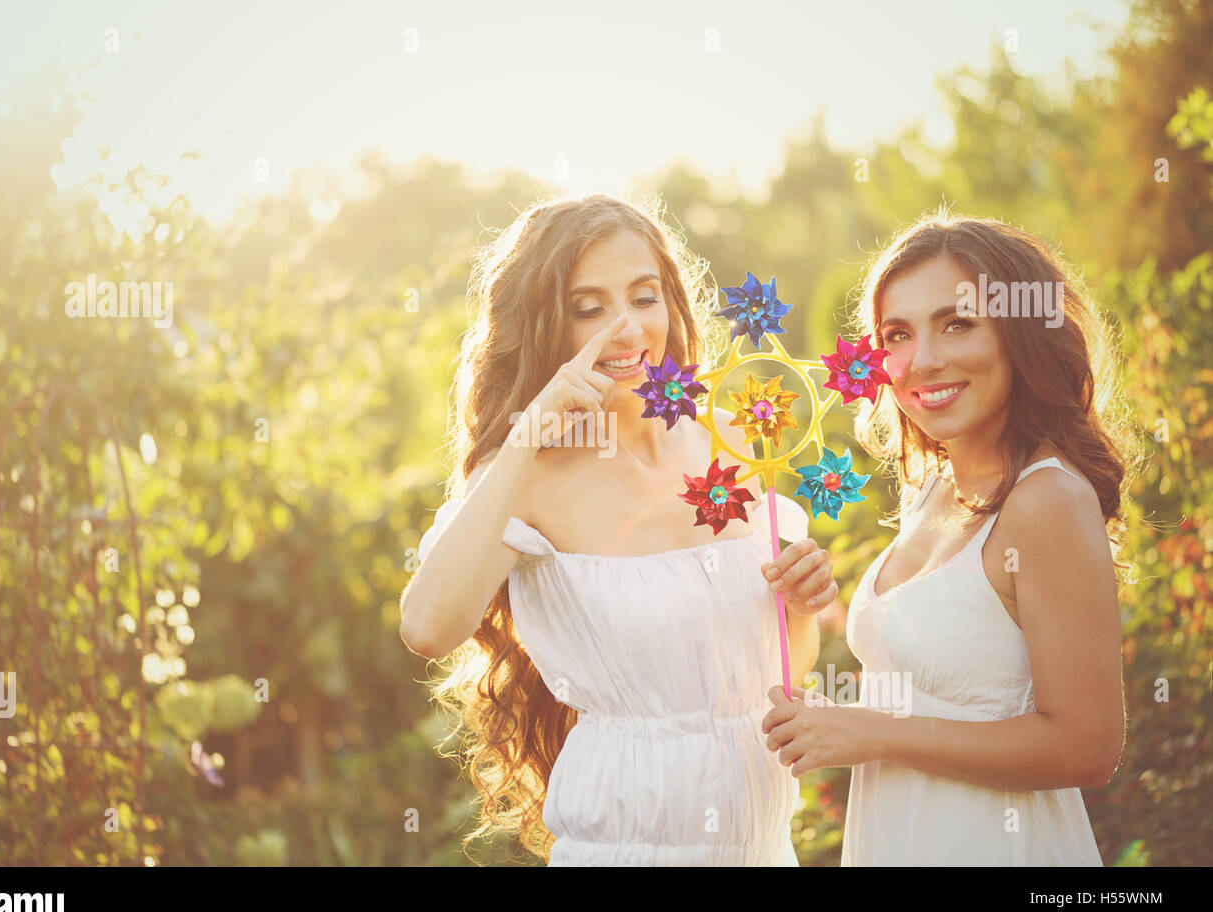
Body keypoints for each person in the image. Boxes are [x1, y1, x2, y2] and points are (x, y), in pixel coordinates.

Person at [400, 193, 837, 865]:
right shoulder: (531, 473)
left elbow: (768, 674)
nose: (628, 330)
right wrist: (529, 433)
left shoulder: (733, 439)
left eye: (643, 297)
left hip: (761, 850)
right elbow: (429, 627)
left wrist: (802, 606)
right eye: (589, 308)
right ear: (547, 325)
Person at [761, 213, 1141, 865]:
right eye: (897, 335)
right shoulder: (931, 488)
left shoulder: (1047, 499)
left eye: (957, 323)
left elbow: (1087, 748)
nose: (924, 360)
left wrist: (872, 732)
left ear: (1018, 333)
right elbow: (921, 693)